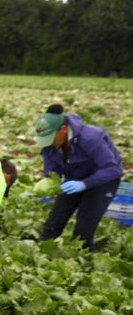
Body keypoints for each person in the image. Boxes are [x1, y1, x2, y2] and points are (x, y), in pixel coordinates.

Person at [35, 104, 123, 250]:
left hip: (103, 180)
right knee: (54, 220)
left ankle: (85, 257)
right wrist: (50, 179)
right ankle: (42, 248)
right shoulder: (49, 144)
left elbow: (112, 169)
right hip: (74, 177)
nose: (48, 142)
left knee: (84, 228)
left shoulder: (91, 137)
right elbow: (52, 167)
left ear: (63, 129)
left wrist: (84, 184)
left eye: (51, 137)